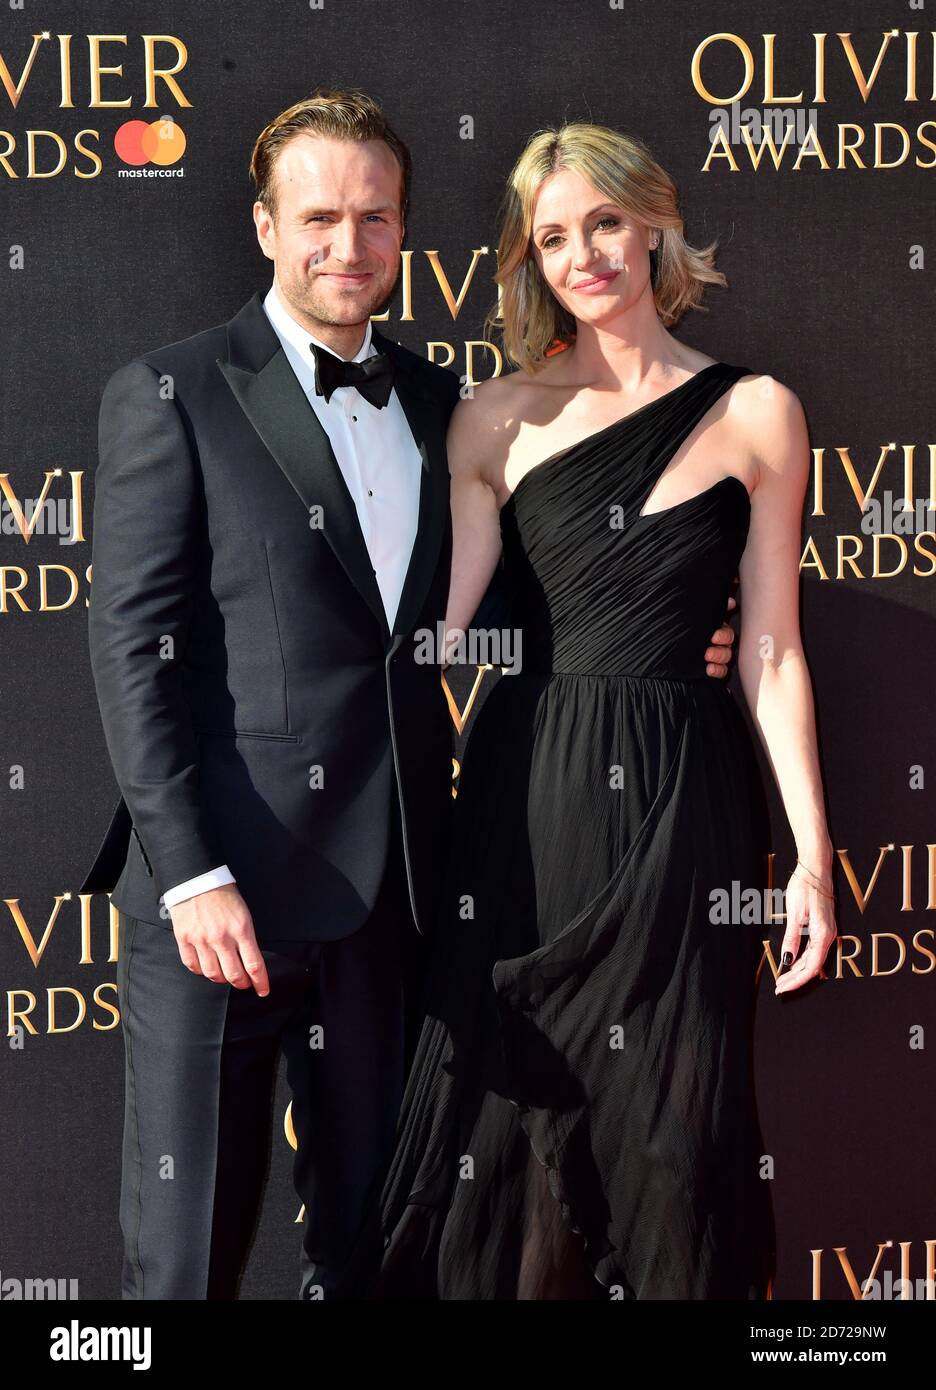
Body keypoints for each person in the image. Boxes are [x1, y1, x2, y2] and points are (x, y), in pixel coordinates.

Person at [78, 91, 738, 1300]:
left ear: (404, 234)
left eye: (375, 218)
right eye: (320, 216)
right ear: (266, 226)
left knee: (378, 1246)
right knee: (182, 1266)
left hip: (395, 908)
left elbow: (501, 606)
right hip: (221, 902)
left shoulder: (448, 407)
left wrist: (672, 630)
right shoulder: (175, 393)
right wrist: (189, 873)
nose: (349, 245)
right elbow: (132, 647)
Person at [351, 122, 837, 1300]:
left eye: (605, 222)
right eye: (553, 236)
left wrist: (815, 854)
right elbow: (443, 633)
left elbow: (771, 649)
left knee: (676, 1139)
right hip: (529, 801)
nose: (585, 256)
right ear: (529, 259)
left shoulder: (760, 412)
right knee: (514, 1126)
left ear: (653, 223)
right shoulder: (495, 418)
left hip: (686, 810)